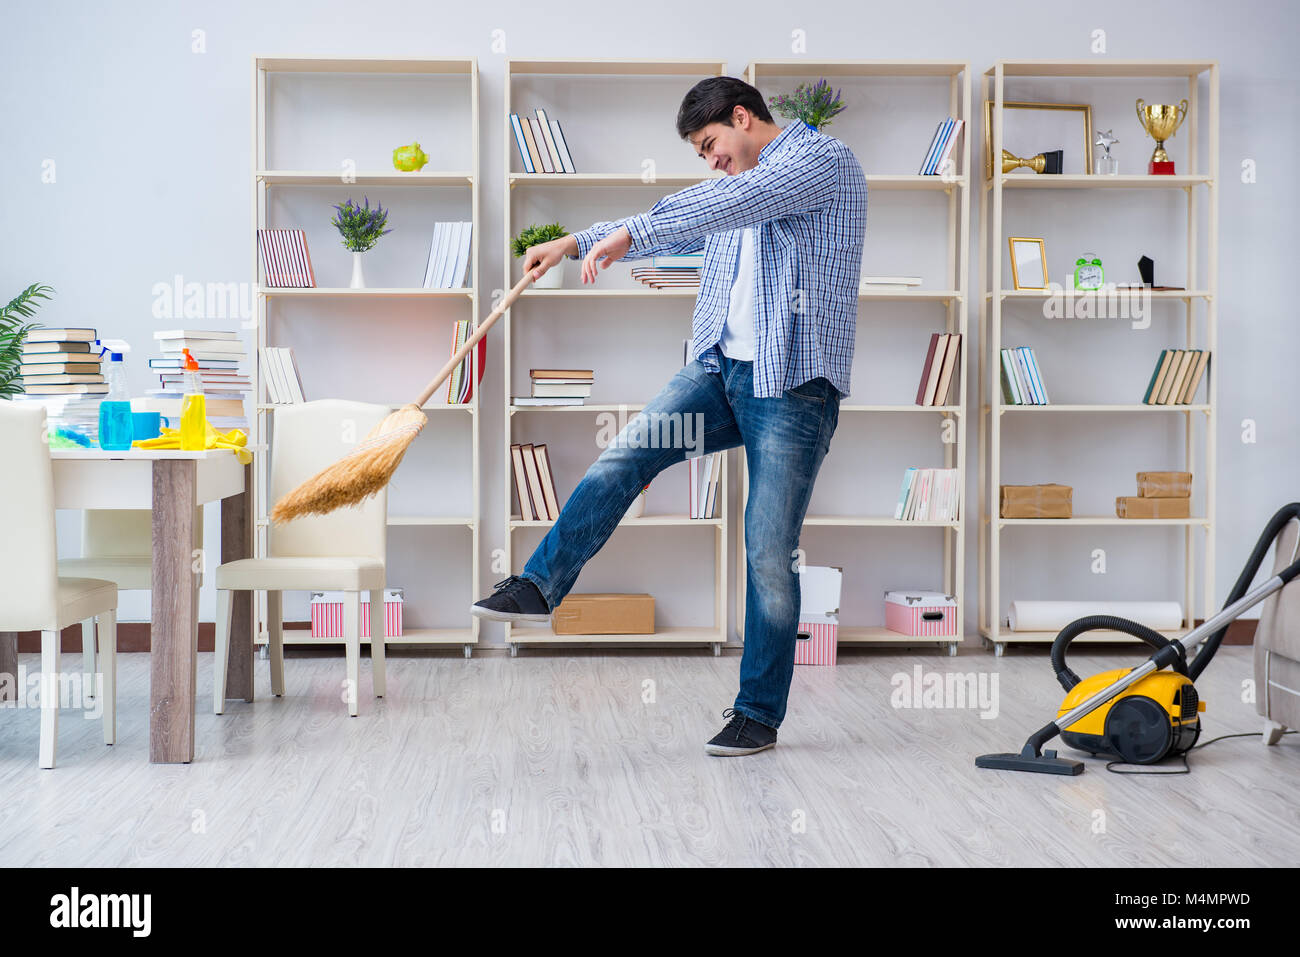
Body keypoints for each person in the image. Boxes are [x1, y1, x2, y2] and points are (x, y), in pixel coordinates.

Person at [472, 76, 868, 756]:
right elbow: (695, 208)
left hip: (793, 386)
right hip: (718, 369)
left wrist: (625, 232)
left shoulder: (820, 162)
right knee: (626, 454)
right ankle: (539, 585)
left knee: (769, 552)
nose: (711, 159)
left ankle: (757, 714)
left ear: (744, 117)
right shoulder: (730, 183)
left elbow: (730, 200)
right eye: (701, 152)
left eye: (712, 144)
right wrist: (575, 242)